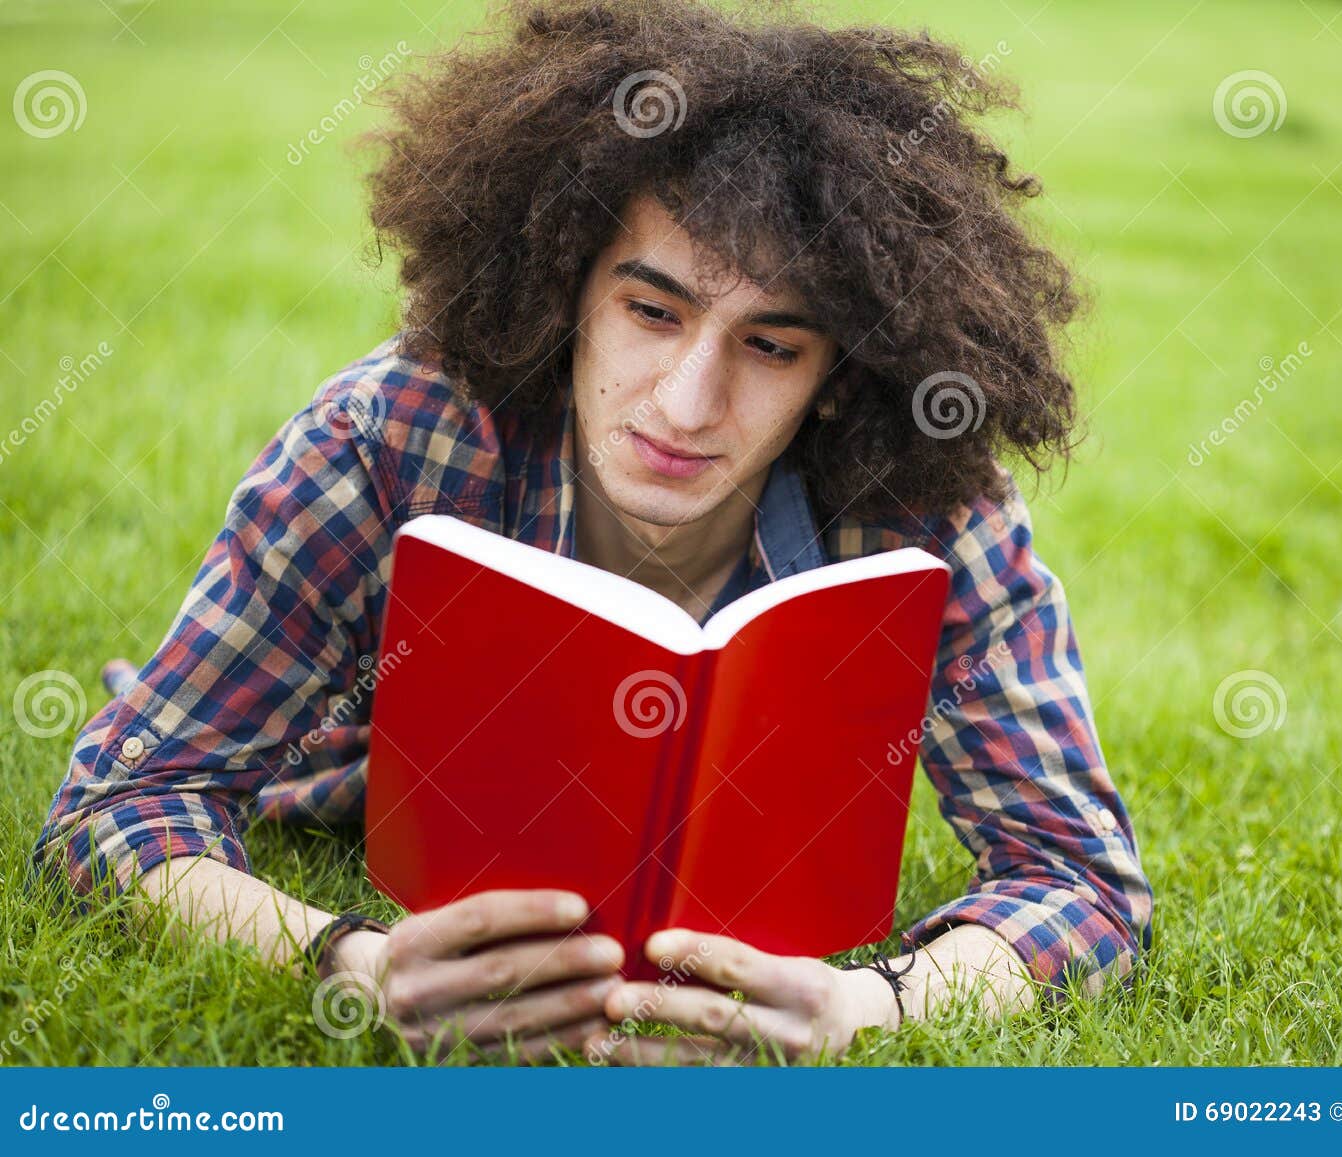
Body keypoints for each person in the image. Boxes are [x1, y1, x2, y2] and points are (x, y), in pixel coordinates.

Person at [33, 0, 1152, 1065]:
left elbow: (1083, 882)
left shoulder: (927, 506)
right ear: (566, 285)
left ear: (841, 369)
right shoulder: (391, 437)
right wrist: (356, 962)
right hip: (350, 770)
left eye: (772, 345)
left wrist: (867, 1003)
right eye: (651, 311)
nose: (683, 402)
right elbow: (118, 804)